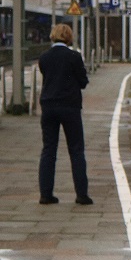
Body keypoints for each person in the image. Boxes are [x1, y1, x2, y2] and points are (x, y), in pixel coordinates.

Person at [37, 23, 92, 205]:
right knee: (76, 150)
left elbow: (47, 76)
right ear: (69, 37)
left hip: (49, 107)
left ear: (53, 36)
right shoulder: (74, 57)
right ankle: (81, 195)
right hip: (70, 107)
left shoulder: (44, 57)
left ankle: (46, 195)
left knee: (48, 150)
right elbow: (83, 82)